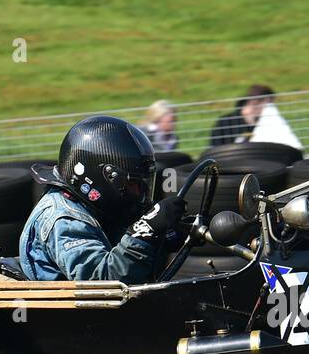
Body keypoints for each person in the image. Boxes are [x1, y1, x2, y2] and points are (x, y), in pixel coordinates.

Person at [17, 115, 187, 283]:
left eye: (142, 184)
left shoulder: (98, 208)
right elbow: (103, 280)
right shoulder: (65, 220)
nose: (138, 193)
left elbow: (122, 245)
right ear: (98, 178)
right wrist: (144, 231)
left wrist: (165, 236)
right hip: (68, 309)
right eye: (132, 184)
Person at [208, 84, 274, 147]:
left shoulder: (268, 121)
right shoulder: (225, 122)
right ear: (255, 102)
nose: (271, 108)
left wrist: (252, 124)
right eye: (269, 104)